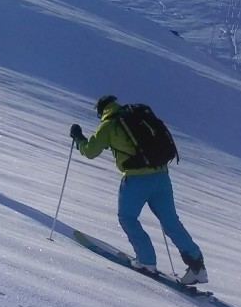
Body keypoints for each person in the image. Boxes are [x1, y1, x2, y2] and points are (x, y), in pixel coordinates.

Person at [70, 95, 207, 285]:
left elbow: (91, 151)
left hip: (136, 179)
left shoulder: (109, 125)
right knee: (171, 222)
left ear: (101, 110)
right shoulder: (137, 117)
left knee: (127, 217)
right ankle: (197, 267)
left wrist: (78, 138)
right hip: (161, 177)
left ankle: (146, 261)